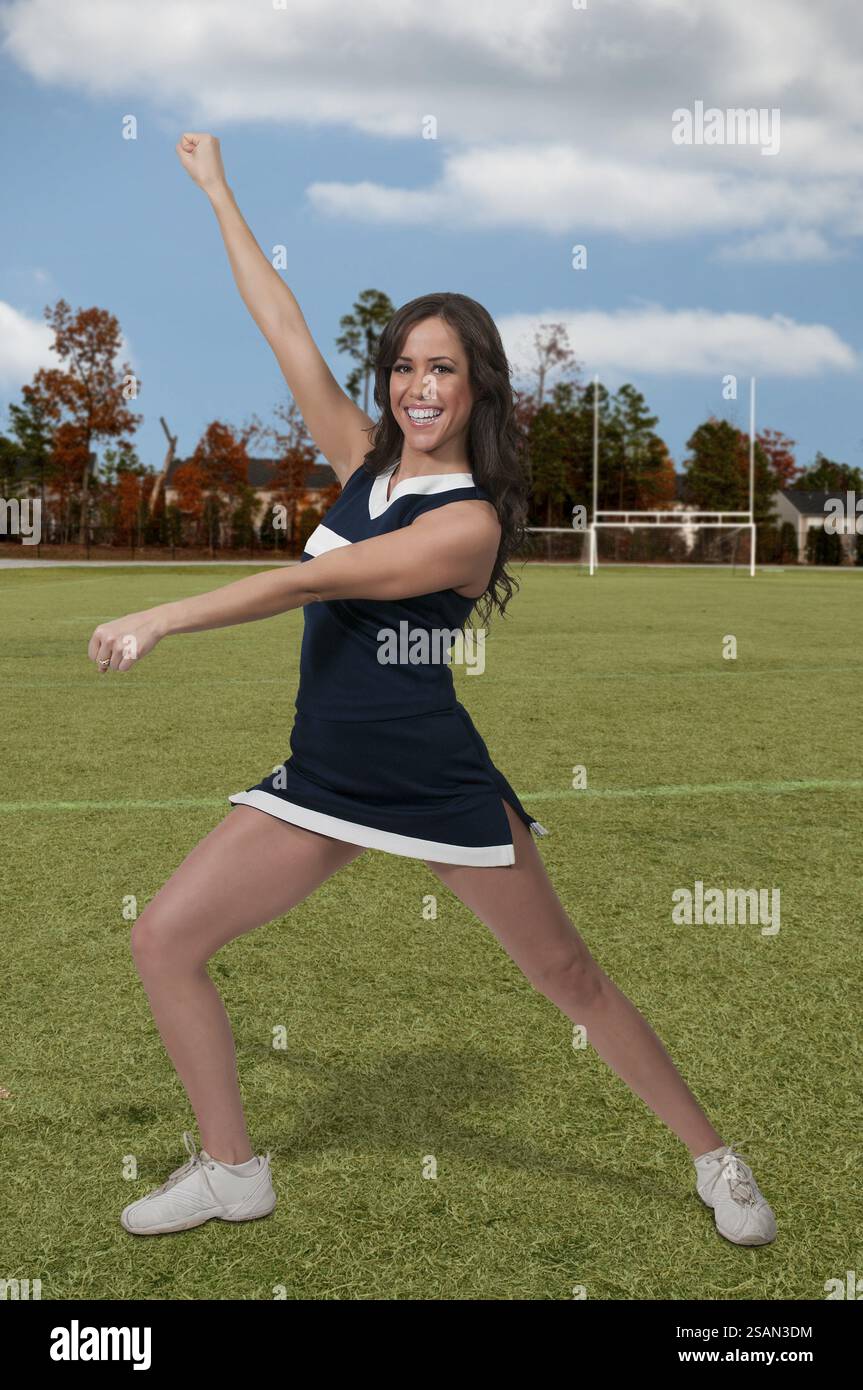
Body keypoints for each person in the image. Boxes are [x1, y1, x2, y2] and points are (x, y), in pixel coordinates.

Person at [89, 133, 776, 1247]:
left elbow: (307, 583)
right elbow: (284, 328)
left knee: (569, 975)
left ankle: (712, 1157)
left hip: (430, 778)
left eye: (441, 367)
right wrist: (217, 188)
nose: (417, 385)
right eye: (404, 365)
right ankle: (231, 1169)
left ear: (477, 385)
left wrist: (160, 614)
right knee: (163, 938)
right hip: (324, 778)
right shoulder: (363, 465)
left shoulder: (465, 522)